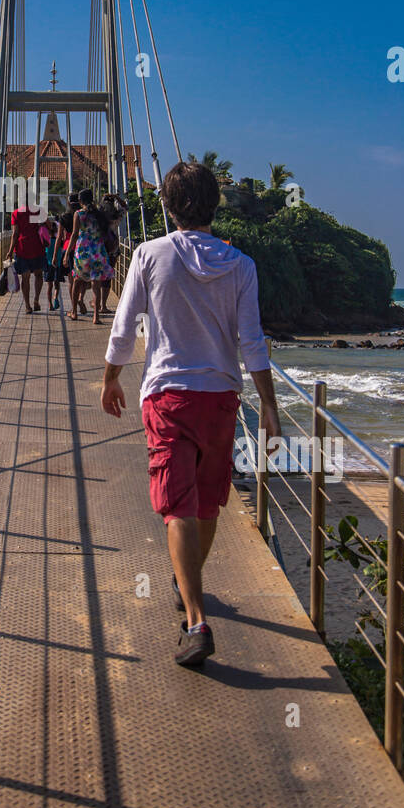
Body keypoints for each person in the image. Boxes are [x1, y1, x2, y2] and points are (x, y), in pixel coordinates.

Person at [100, 162, 281, 667]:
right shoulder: (241, 265)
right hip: (221, 398)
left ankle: (196, 620)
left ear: (166, 205)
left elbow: (124, 323)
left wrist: (112, 376)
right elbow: (251, 341)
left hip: (168, 396)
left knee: (176, 506)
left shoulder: (149, 254)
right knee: (206, 503)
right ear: (215, 205)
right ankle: (189, 586)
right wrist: (268, 403)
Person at [63, 188, 114, 325]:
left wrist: (67, 253)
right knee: (96, 284)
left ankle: (74, 312)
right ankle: (96, 317)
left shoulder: (79, 214)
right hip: (98, 251)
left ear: (80, 201)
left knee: (77, 281)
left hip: (83, 252)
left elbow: (74, 234)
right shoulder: (100, 214)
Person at [5, 202, 46, 314]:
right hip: (37, 247)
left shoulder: (16, 213)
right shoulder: (39, 210)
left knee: (25, 277)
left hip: (22, 249)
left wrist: (10, 251)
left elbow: (15, 234)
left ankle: (27, 306)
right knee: (38, 275)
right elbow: (46, 226)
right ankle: (36, 300)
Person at [55, 194, 85, 315]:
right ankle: (80, 299)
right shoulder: (82, 215)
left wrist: (54, 256)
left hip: (68, 247)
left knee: (71, 280)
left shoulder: (64, 217)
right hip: (82, 247)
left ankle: (74, 308)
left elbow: (58, 238)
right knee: (82, 278)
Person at [98, 191, 128, 314]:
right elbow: (125, 207)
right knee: (107, 278)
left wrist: (102, 199)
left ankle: (96, 302)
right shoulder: (117, 216)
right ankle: (103, 306)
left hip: (97, 250)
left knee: (97, 277)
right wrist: (117, 197)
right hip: (112, 250)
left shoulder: (97, 217)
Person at [43, 214, 64, 310]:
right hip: (58, 264)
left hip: (48, 265)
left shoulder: (46, 242)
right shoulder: (59, 242)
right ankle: (55, 297)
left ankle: (50, 305)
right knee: (57, 284)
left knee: (49, 285)